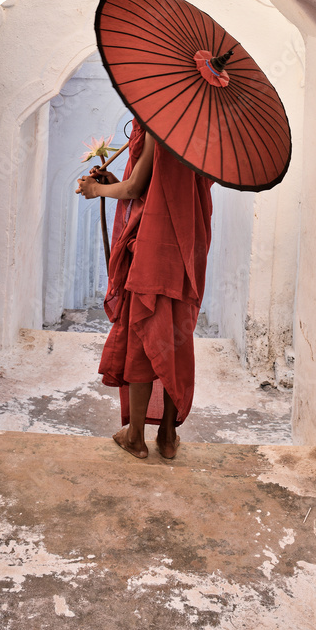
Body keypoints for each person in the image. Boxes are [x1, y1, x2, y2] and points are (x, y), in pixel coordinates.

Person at [76, 117, 213, 460]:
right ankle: (167, 436)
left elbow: (137, 189)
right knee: (174, 339)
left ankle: (136, 435)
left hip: (152, 248)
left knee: (142, 334)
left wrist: (99, 190)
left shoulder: (160, 121)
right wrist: (115, 181)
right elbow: (163, 187)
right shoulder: (207, 129)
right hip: (186, 250)